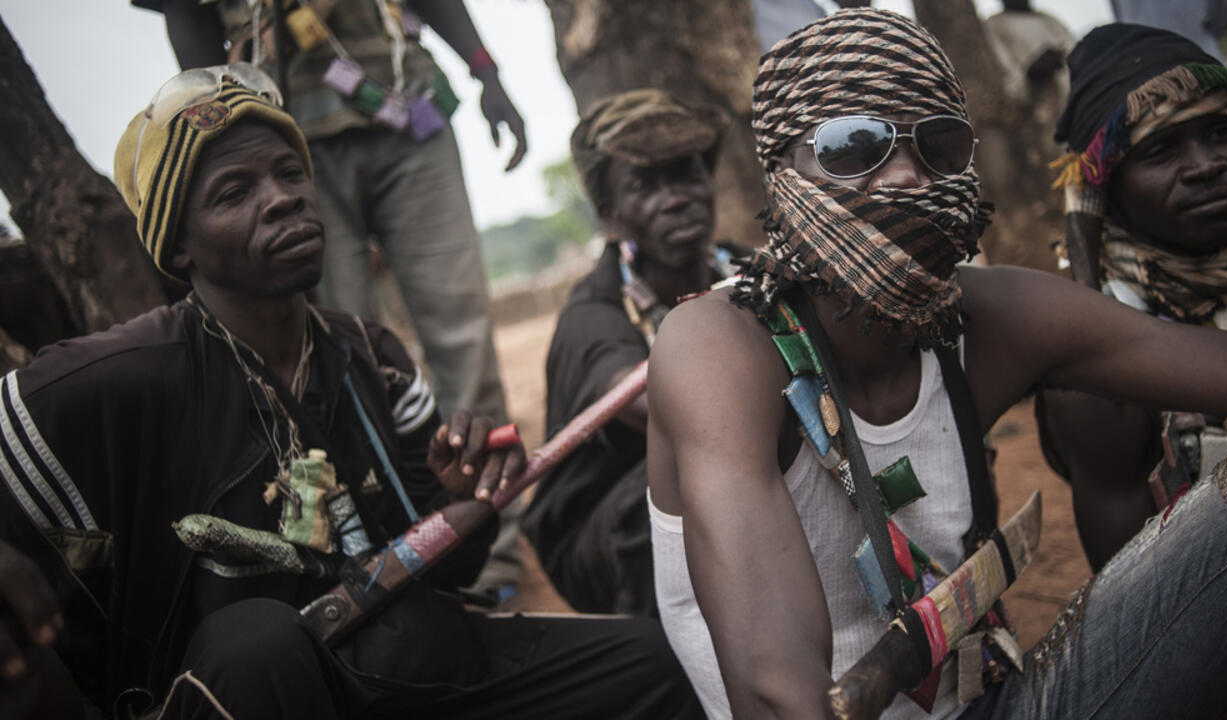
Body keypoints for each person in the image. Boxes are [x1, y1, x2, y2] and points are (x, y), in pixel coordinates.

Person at [0, 66, 703, 720]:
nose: (282, 198)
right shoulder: (114, 378)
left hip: (403, 664)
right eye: (234, 193)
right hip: (255, 692)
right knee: (258, 640)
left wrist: (460, 503)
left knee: (657, 664)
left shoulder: (373, 358)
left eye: (288, 173)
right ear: (179, 248)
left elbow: (442, 569)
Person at [646, 8, 1227, 719]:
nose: (908, 178)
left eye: (940, 146)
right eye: (855, 146)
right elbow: (776, 689)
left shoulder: (992, 318)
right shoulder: (717, 345)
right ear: (780, 173)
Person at [141, 0, 527, 595]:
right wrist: (216, 124)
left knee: (464, 337)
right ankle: (365, 569)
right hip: (288, 141)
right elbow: (185, 13)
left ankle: (489, 559)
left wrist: (487, 72)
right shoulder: (279, 182)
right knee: (334, 361)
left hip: (409, 110)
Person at [1040, 22, 1227, 571]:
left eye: (1221, 131)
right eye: (1162, 149)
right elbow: (1135, 600)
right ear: (1106, 189)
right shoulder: (1095, 371)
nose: (1205, 167)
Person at [522, 89, 733, 616]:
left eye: (685, 173)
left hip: (725, 482)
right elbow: (659, 407)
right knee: (681, 481)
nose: (675, 197)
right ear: (611, 216)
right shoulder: (593, 316)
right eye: (646, 185)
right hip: (606, 534)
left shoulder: (748, 272)